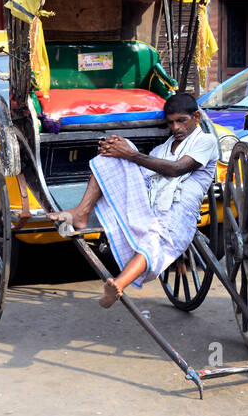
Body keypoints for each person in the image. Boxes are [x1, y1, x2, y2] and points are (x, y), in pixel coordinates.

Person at [49, 93, 219, 308]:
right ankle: (82, 212)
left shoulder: (206, 141)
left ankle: (118, 284)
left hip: (178, 208)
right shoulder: (164, 148)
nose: (176, 127)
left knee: (155, 239)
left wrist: (130, 155)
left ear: (196, 116)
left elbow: (177, 169)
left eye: (181, 121)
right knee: (115, 150)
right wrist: (120, 150)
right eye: (171, 122)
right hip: (151, 201)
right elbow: (145, 173)